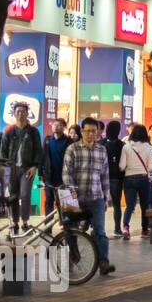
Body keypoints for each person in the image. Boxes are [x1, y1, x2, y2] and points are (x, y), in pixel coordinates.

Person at [62, 117, 115, 276]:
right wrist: (71, 194)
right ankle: (74, 255)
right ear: (82, 131)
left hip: (96, 197)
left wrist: (106, 197)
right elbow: (66, 174)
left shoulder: (102, 150)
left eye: (94, 131)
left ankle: (103, 263)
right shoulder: (72, 149)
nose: (91, 134)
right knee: (69, 230)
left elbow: (105, 176)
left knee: (99, 231)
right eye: (88, 131)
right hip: (72, 196)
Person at [0, 102, 43, 230]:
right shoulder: (9, 131)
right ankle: (15, 223)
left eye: (23, 111)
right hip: (11, 168)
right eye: (18, 111)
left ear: (27, 113)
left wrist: (35, 166)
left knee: (25, 195)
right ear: (14, 113)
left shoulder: (33, 131)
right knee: (13, 195)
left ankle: (25, 222)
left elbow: (38, 150)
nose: (20, 113)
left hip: (27, 169)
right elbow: (3, 151)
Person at [118, 124, 152, 239]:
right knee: (144, 206)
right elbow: (151, 167)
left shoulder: (126, 147)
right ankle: (144, 230)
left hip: (129, 179)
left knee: (129, 205)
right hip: (143, 179)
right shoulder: (149, 147)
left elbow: (122, 166)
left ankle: (125, 227)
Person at [40, 118, 71, 220]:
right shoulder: (48, 140)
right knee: (48, 201)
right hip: (49, 177)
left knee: (65, 203)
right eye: (54, 124)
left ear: (64, 127)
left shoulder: (68, 141)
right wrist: (40, 174)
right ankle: (47, 228)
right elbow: (42, 157)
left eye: (59, 125)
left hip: (64, 177)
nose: (55, 126)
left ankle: (67, 228)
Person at [101, 120, 126, 237]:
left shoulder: (100, 143)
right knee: (116, 204)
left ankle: (100, 229)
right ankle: (117, 228)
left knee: (100, 204)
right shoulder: (122, 145)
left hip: (101, 178)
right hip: (117, 178)